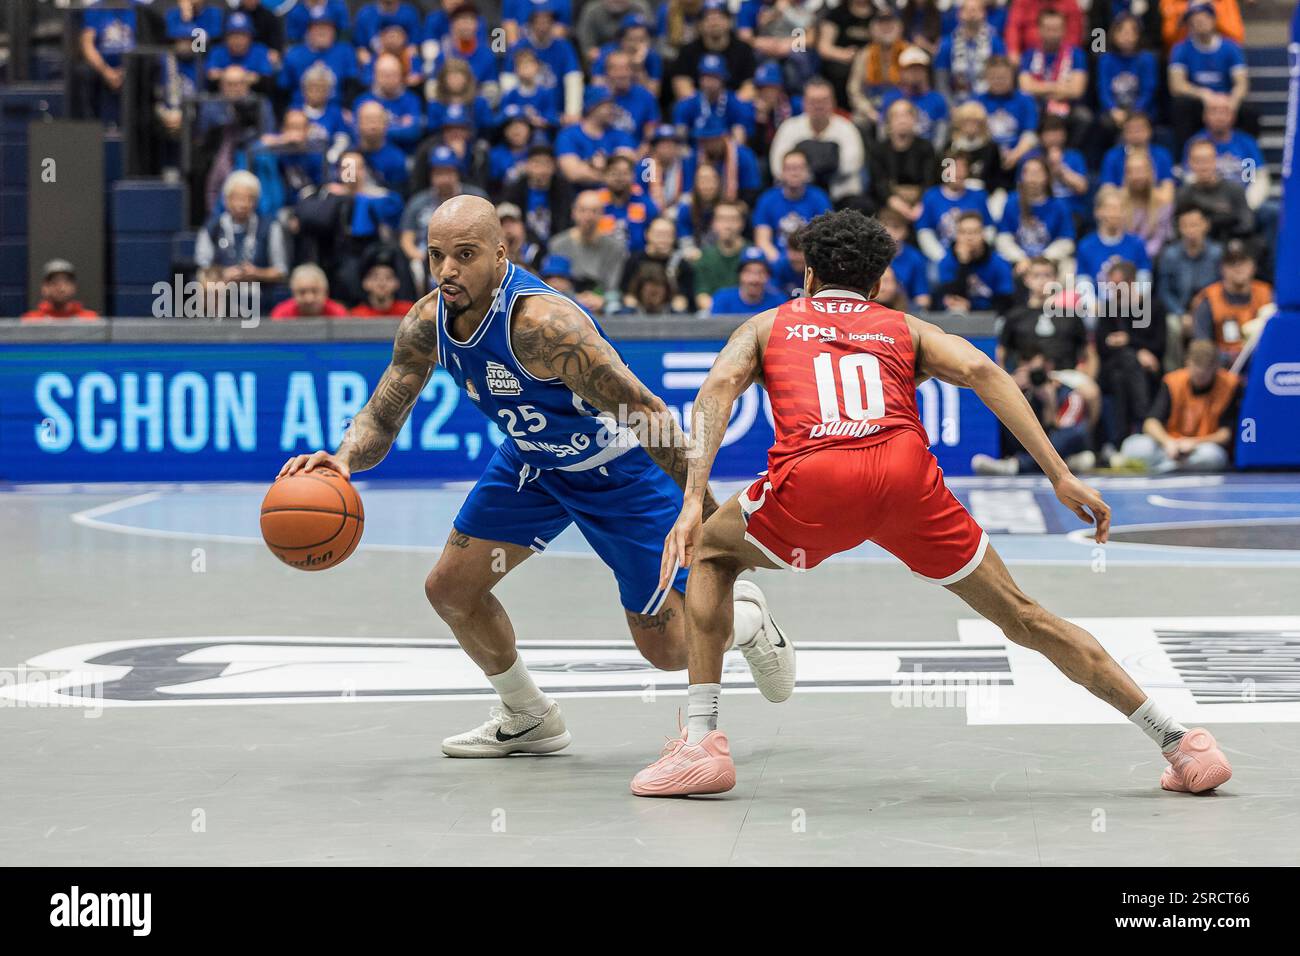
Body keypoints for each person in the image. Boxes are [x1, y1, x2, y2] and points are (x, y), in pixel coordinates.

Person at [630, 209, 1232, 797]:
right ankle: (1181, 743)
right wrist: (1061, 475)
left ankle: (702, 744)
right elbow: (982, 369)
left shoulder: (767, 325)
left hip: (816, 482)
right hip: (906, 480)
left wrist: (691, 502)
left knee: (711, 552)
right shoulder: (906, 327)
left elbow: (716, 391)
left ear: (808, 276)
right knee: (1024, 616)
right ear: (878, 281)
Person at [278, 194, 791, 757]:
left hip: (617, 472)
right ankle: (528, 716)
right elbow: (382, 414)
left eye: (465, 254)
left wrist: (706, 512)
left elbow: (647, 414)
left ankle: (746, 619)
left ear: (501, 254)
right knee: (449, 591)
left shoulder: (545, 329)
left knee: (667, 649)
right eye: (436, 256)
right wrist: (344, 458)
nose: (448, 270)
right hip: (532, 463)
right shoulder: (427, 322)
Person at [1113, 340, 1241, 473]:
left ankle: (1162, 468)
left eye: (1204, 374)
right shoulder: (1173, 382)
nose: (1200, 378)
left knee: (1214, 457)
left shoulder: (1229, 385)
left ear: (1215, 368)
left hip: (1200, 447)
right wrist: (1168, 442)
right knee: (1133, 446)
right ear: (1187, 364)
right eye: (1196, 371)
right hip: (1169, 445)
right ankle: (1171, 466)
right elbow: (1150, 423)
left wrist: (1194, 442)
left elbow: (1225, 434)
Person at [709, 246, 788, 315]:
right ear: (740, 275)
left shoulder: (779, 302)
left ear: (768, 276)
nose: (754, 279)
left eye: (761, 272)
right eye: (748, 272)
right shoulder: (722, 299)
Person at [22, 260, 100, 321]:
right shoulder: (31, 321)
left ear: (74, 287)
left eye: (66, 282)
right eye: (54, 283)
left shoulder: (90, 320)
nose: (61, 288)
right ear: (44, 288)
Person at [270, 264, 350, 319]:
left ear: (326, 292)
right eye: (302, 292)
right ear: (293, 293)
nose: (309, 299)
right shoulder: (281, 315)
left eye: (315, 291)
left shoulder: (338, 314)